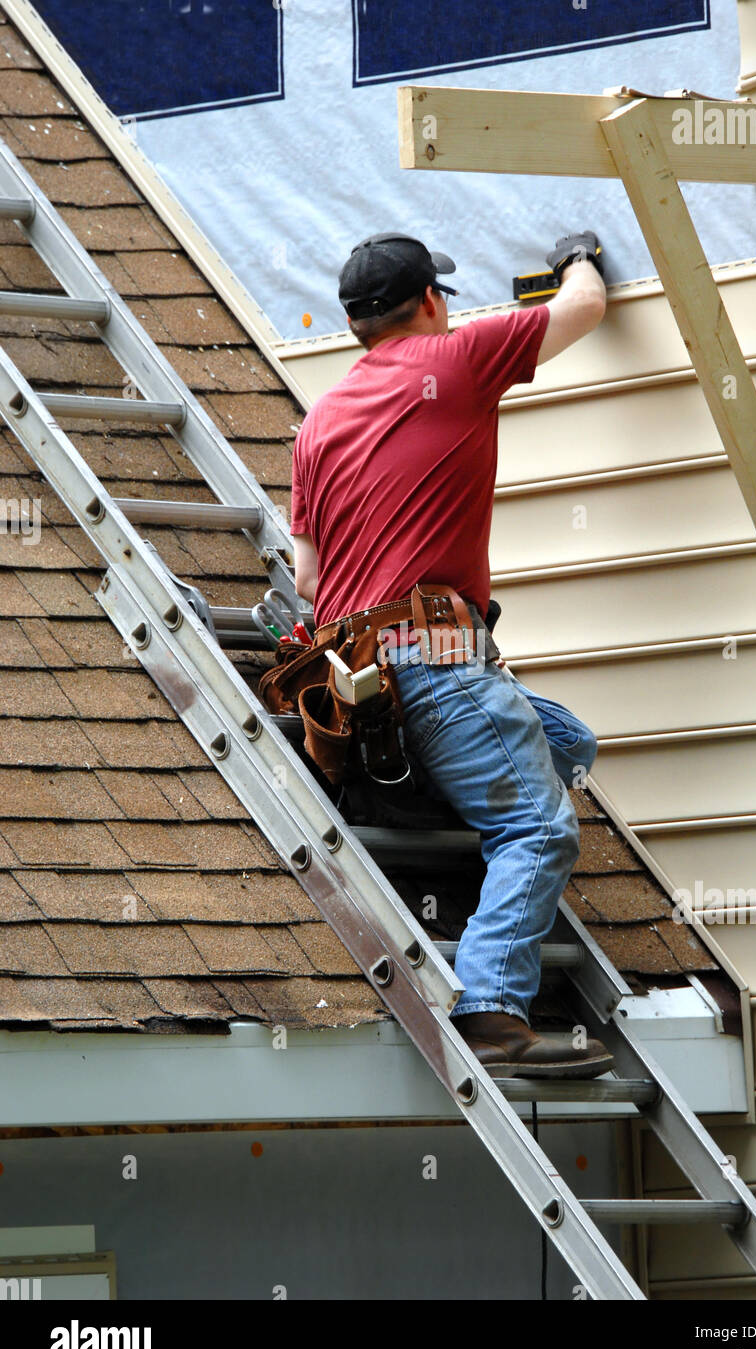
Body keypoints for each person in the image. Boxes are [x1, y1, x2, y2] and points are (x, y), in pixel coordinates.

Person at [290, 230, 613, 1078]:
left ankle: (422, 784)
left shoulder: (318, 420)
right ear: (431, 301)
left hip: (364, 678)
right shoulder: (460, 356)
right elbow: (584, 307)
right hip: (433, 656)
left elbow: (305, 573)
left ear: (356, 325)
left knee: (568, 746)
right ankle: (491, 1011)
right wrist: (578, 251)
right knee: (539, 824)